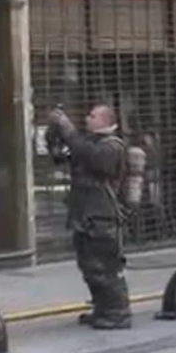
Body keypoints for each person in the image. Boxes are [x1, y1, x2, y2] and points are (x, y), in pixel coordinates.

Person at [46, 104, 132, 330]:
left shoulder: (112, 146)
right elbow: (61, 157)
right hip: (84, 216)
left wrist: (67, 128)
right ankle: (102, 309)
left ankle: (118, 312)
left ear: (106, 121)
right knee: (90, 267)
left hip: (102, 217)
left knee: (106, 267)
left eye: (92, 115)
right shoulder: (86, 143)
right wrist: (54, 134)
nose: (87, 118)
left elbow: (95, 159)